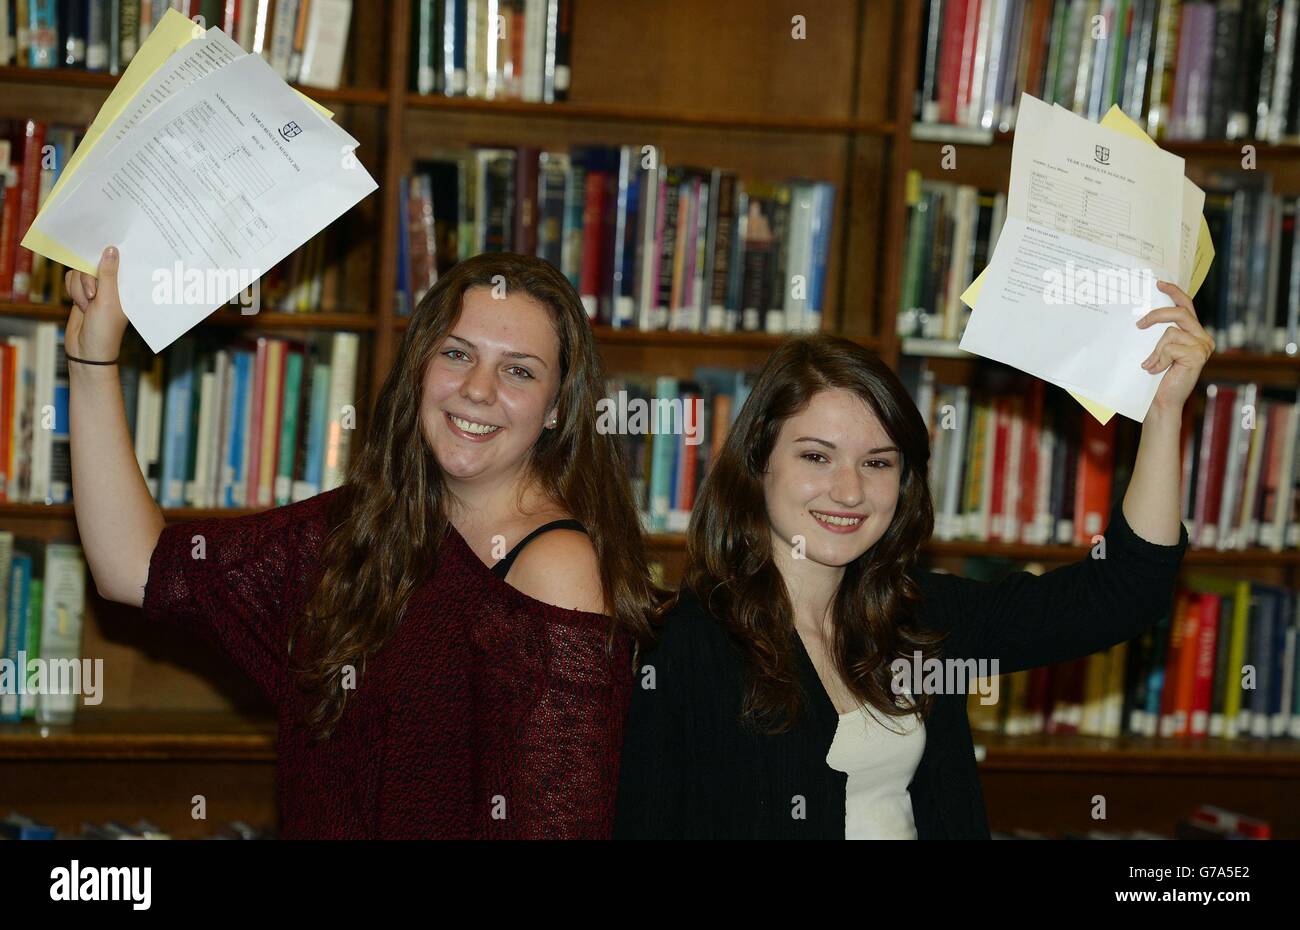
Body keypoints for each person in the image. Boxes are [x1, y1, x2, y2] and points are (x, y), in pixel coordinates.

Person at [66, 247, 657, 839]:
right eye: (456, 354)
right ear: (419, 368)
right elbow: (132, 566)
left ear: (557, 408)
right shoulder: (360, 529)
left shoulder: (556, 568)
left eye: (518, 370)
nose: (478, 389)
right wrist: (91, 358)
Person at [614, 285, 1211, 839]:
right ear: (757, 462)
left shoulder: (918, 616)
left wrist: (1162, 413)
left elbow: (1122, 595)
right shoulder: (685, 643)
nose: (849, 492)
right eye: (817, 457)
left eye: (877, 463)